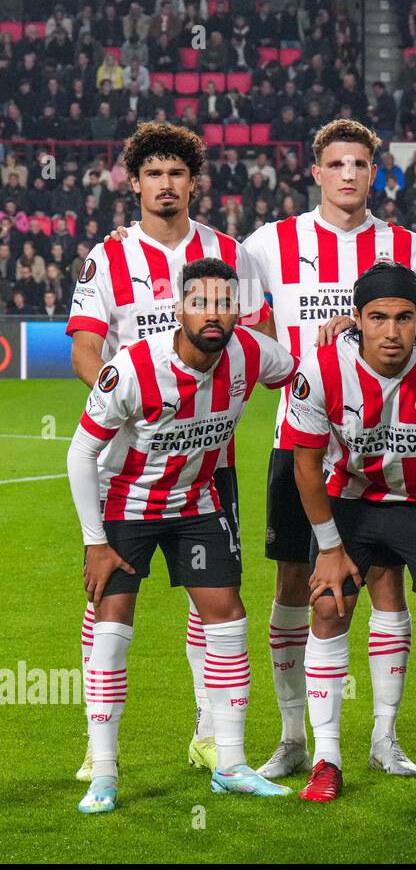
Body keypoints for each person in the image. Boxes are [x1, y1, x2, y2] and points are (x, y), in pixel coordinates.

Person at [241, 118, 416, 780]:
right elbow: (213, 291)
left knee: (389, 592)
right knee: (301, 584)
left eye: (360, 164)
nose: (348, 175)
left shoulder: (407, 245)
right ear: (315, 172)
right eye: (336, 164)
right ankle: (297, 737)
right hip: (308, 443)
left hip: (397, 449)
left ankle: (386, 739)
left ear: (375, 173)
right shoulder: (268, 244)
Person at [67, 122, 263, 782]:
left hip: (211, 463)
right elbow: (86, 348)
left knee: (208, 598)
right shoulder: (109, 257)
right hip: (125, 459)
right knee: (109, 600)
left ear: (194, 181)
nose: (166, 184)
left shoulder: (227, 252)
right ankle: (100, 748)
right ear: (134, 182)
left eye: (177, 173)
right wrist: (132, 397)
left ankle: (211, 736)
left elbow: (254, 340)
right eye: (154, 173)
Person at [66, 257, 297, 813]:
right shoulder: (134, 367)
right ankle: (104, 770)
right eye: (201, 303)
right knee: (112, 626)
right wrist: (95, 542)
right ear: (178, 309)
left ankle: (233, 764)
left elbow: (298, 375)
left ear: (237, 310)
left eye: (224, 303)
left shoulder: (251, 352)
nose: (213, 315)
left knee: (228, 615)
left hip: (198, 499)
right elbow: (81, 452)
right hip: (126, 502)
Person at [284, 261, 416, 803]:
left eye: (404, 318)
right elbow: (305, 465)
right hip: (348, 501)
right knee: (327, 605)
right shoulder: (321, 368)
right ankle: (326, 759)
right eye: (378, 318)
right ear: (356, 320)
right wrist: (328, 548)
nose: (391, 332)